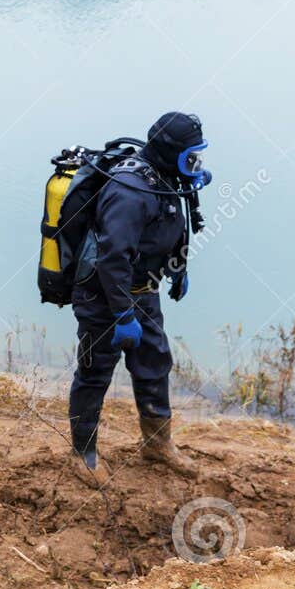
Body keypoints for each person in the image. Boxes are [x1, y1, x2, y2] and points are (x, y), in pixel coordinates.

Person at [67, 111, 210, 487]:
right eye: (189, 157)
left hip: (143, 290)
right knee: (95, 371)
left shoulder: (166, 178)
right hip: (104, 295)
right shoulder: (129, 192)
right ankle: (83, 455)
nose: (194, 165)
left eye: (197, 156)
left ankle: (156, 444)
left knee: (154, 362)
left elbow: (170, 226)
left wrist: (177, 269)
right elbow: (113, 258)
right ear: (168, 152)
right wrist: (122, 316)